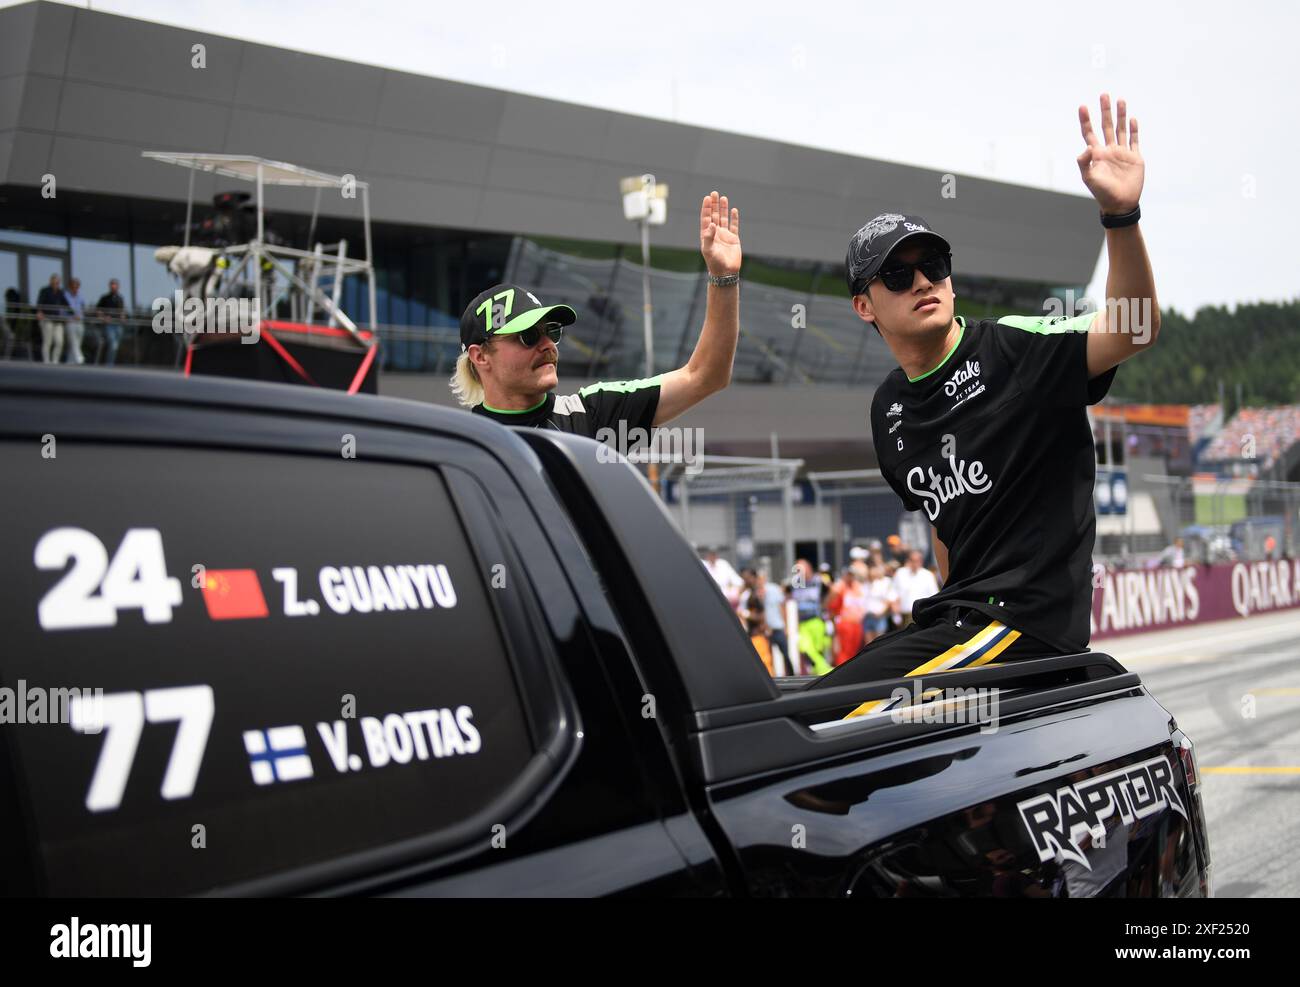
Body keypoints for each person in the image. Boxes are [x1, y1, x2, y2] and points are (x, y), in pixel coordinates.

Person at [810, 94, 1159, 702]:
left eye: (934, 264)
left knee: (835, 714)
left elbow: (1132, 329)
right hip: (959, 620)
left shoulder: (1014, 350)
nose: (923, 280)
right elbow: (945, 530)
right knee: (807, 711)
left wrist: (1120, 217)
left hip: (1023, 625)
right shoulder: (888, 408)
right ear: (864, 307)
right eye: (897, 275)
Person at [451, 191, 741, 445]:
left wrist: (723, 277)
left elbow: (705, 376)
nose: (547, 345)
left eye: (551, 331)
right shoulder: (462, 444)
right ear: (480, 356)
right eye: (527, 336)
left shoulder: (593, 415)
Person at [892, 549, 940, 629]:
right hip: (903, 614)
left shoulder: (927, 575)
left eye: (917, 561)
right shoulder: (900, 573)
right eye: (912, 560)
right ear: (908, 561)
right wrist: (896, 613)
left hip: (921, 615)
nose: (915, 563)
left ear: (921, 561)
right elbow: (894, 593)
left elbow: (934, 595)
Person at [862, 562, 899, 643]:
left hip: (879, 617)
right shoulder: (866, 583)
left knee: (878, 642)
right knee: (868, 644)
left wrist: (881, 612)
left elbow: (890, 599)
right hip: (867, 616)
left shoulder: (886, 582)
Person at [36, 274, 68, 364]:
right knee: (47, 341)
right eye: (54, 282)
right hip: (47, 319)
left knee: (59, 341)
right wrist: (39, 312)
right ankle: (46, 361)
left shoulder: (61, 292)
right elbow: (39, 302)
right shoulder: (44, 291)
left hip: (57, 321)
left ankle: (55, 361)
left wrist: (72, 314)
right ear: (50, 281)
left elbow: (66, 305)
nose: (56, 284)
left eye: (57, 282)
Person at [95, 278, 127, 366]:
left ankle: (110, 362)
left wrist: (123, 317)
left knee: (115, 346)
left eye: (115, 285)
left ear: (118, 287)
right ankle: (109, 364)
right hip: (109, 325)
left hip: (118, 325)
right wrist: (103, 318)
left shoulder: (120, 298)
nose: (113, 287)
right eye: (112, 285)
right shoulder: (105, 298)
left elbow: (122, 311)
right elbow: (98, 310)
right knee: (113, 345)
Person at [62, 277, 86, 364]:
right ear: (70, 287)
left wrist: (80, 316)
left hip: (79, 322)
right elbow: (62, 310)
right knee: (73, 340)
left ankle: (70, 361)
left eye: (77, 287)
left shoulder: (81, 296)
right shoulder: (65, 296)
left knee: (78, 341)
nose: (75, 289)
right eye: (73, 287)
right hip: (70, 322)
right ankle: (80, 358)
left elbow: (83, 309)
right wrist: (68, 318)